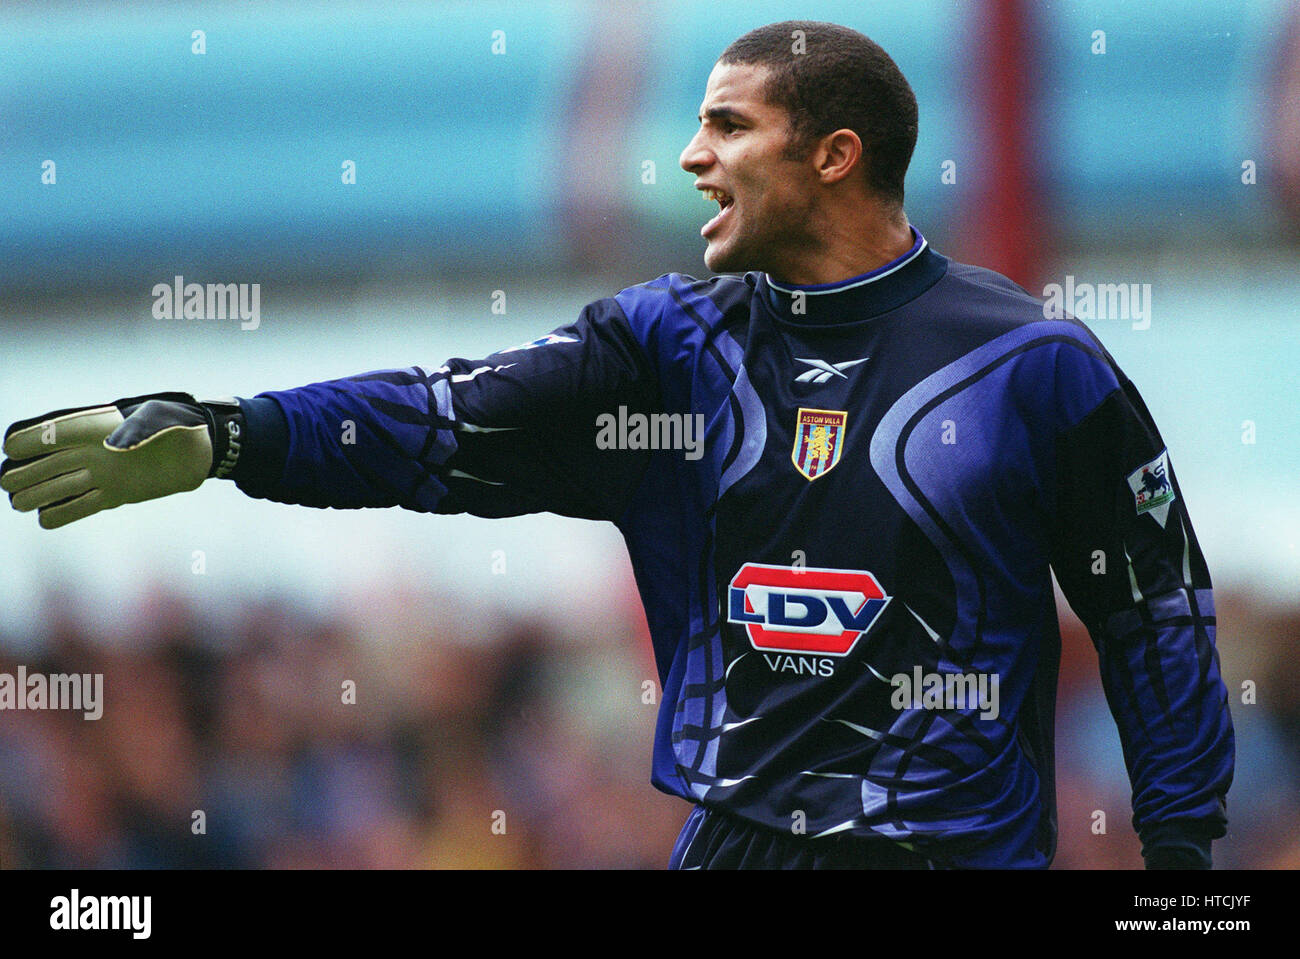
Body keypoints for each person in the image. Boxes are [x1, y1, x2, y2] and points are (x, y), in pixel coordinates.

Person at [1, 20, 1233, 869]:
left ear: (834, 155)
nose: (691, 157)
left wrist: (1181, 865)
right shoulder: (661, 346)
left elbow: (1155, 616)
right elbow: (443, 416)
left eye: (726, 126)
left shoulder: (1037, 367)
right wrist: (235, 434)